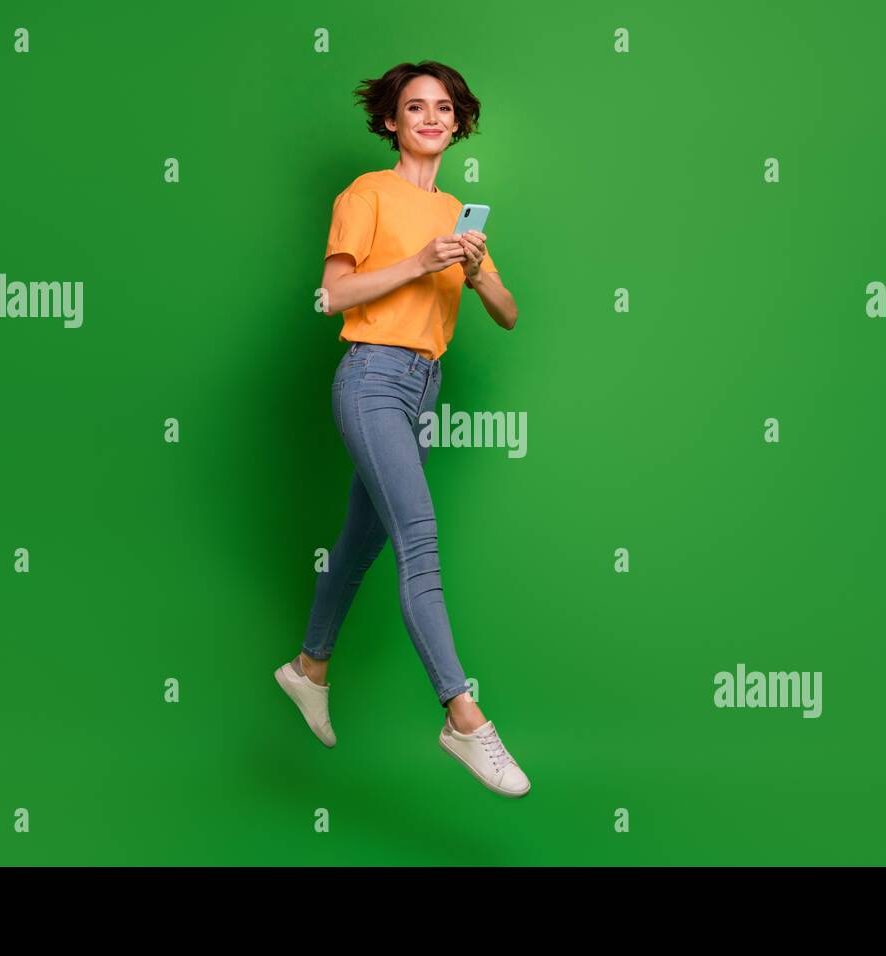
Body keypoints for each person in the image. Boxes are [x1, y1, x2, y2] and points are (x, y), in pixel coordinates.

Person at [274, 60, 529, 797]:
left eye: (442, 108)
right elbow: (333, 292)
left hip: (421, 387)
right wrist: (419, 262)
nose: (429, 117)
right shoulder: (367, 193)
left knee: (361, 538)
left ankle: (309, 668)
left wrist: (476, 272)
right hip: (371, 377)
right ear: (391, 121)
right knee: (418, 536)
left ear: (458, 123)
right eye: (413, 107)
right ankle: (464, 719)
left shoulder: (457, 213)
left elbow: (508, 312)